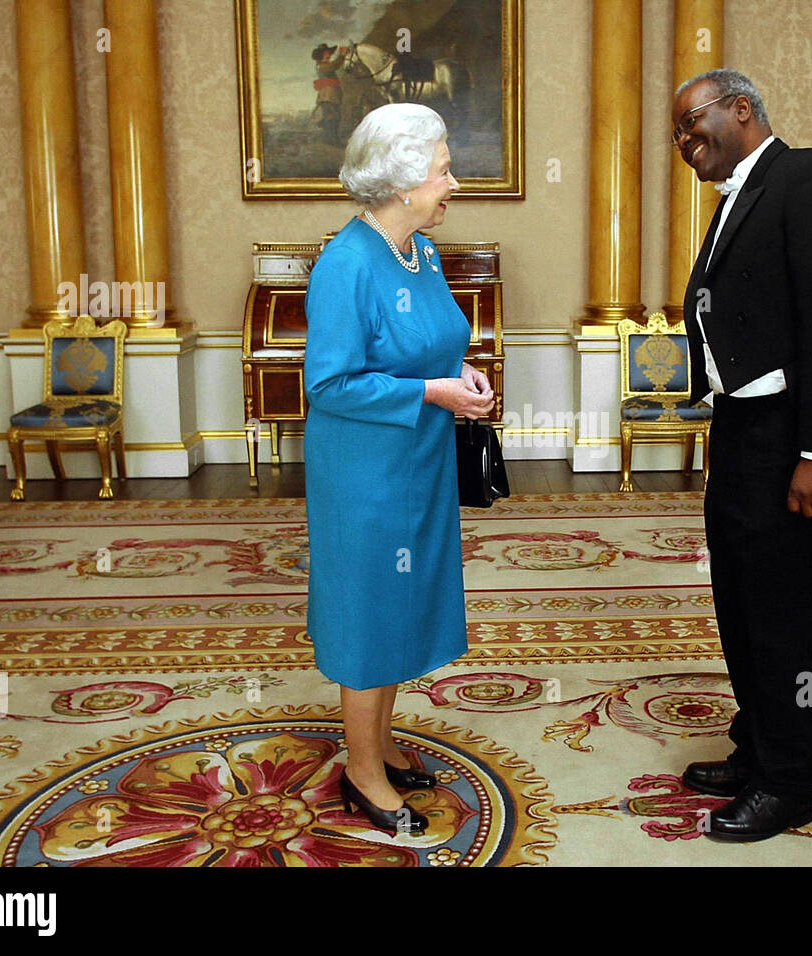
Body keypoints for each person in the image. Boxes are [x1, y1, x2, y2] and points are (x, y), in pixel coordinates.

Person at [670, 69, 812, 841]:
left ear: (742, 109)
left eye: (692, 124)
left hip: (793, 437)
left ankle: (788, 781)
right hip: (740, 431)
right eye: (676, 134)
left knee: (787, 616)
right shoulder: (737, 193)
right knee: (741, 600)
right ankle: (755, 745)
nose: (683, 143)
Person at [303, 102, 494, 834]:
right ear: (406, 181)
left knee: (404, 602)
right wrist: (432, 392)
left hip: (420, 458)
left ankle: (377, 747)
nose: (453, 182)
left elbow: (431, 342)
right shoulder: (345, 264)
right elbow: (328, 385)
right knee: (370, 612)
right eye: (444, 169)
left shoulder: (423, 251)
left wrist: (460, 374)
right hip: (365, 473)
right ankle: (360, 774)